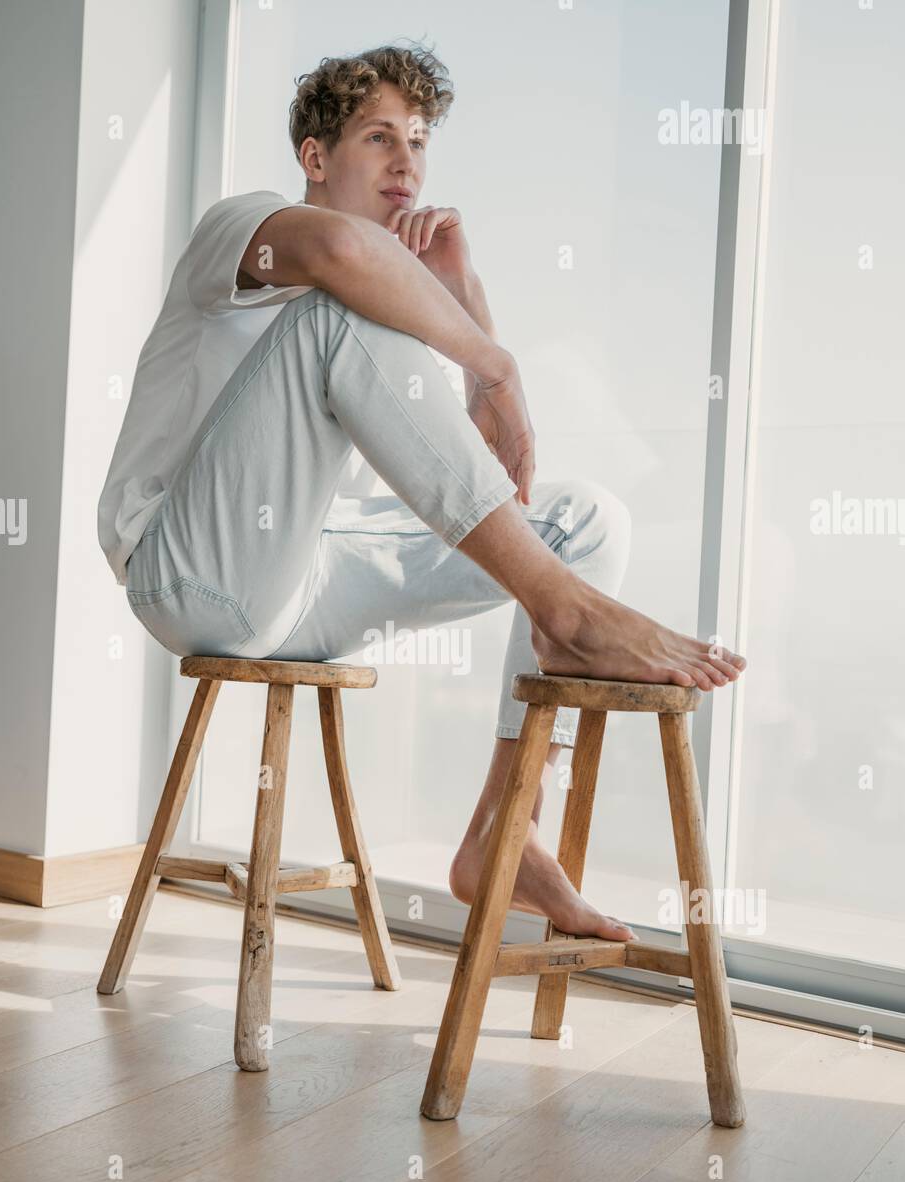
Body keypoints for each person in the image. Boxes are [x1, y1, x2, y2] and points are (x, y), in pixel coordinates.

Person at [97, 43, 745, 944]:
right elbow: (335, 251)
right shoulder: (245, 225)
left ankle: (501, 837)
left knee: (585, 519)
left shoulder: (385, 312)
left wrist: (462, 290)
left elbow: (487, 474)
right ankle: (571, 612)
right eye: (377, 137)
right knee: (336, 310)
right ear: (315, 157)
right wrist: (492, 363)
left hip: (319, 574)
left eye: (418, 140)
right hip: (193, 569)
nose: (407, 161)